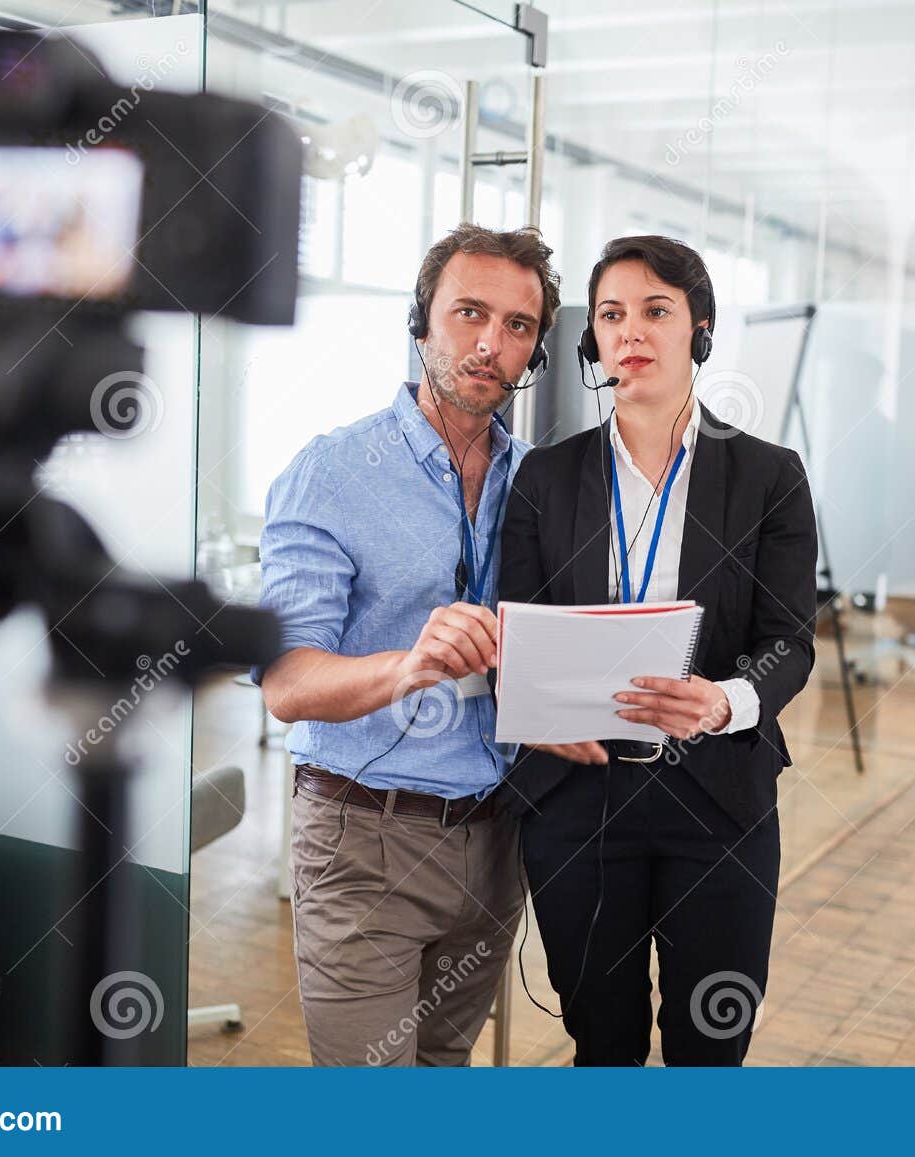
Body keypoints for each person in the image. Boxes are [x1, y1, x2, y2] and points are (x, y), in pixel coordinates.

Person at [498, 235, 818, 1065]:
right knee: (602, 1043)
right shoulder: (545, 478)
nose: (631, 330)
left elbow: (791, 641)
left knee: (712, 1045)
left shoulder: (769, 477)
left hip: (718, 798)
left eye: (655, 310)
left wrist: (725, 699)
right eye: (611, 314)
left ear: (697, 332)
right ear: (592, 341)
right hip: (579, 796)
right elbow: (518, 630)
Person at [256, 223, 559, 1065]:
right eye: (469, 313)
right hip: (364, 840)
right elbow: (286, 682)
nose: (489, 344)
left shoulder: (539, 483)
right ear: (421, 322)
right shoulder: (333, 471)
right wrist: (411, 664)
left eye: (517, 326)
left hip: (497, 843)